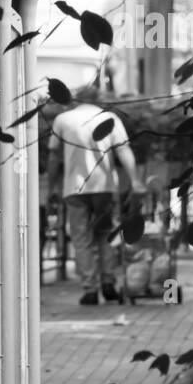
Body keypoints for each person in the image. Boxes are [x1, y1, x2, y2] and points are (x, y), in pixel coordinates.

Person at [42, 82, 139, 306]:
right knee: (106, 235)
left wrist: (53, 188)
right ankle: (108, 283)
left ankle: (90, 289)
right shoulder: (110, 119)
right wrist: (135, 181)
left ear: (77, 98)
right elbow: (124, 150)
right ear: (97, 98)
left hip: (74, 188)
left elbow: (54, 157)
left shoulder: (63, 119)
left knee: (81, 239)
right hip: (104, 187)